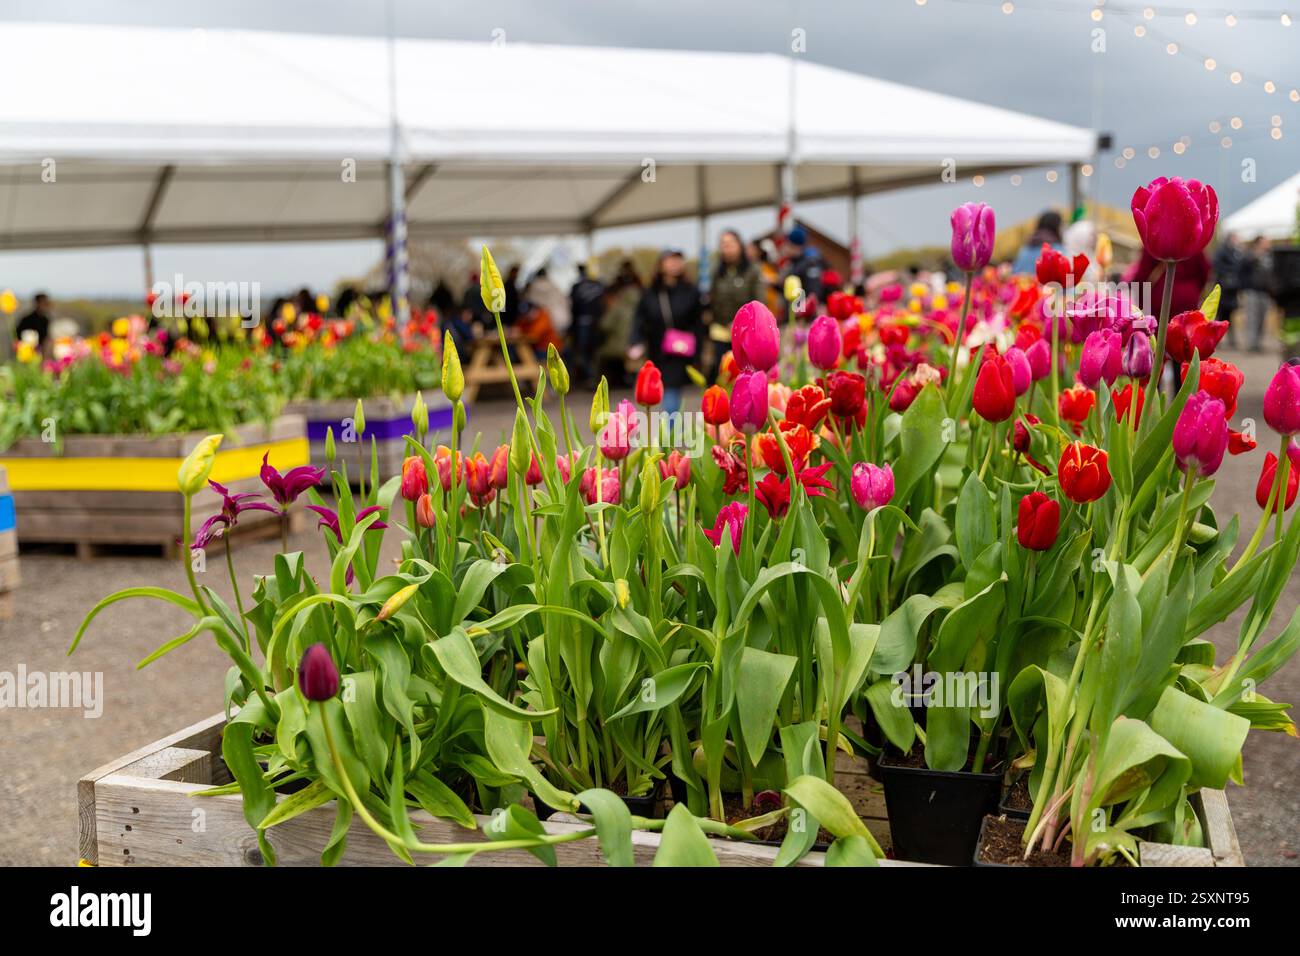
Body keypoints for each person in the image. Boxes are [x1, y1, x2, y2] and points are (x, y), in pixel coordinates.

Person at [630, 249, 703, 415]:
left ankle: (671, 434)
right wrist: (635, 341)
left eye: (678, 260)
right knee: (667, 392)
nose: (674, 264)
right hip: (658, 348)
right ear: (661, 265)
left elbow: (698, 324)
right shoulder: (651, 293)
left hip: (682, 351)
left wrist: (697, 353)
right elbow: (640, 319)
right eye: (670, 260)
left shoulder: (691, 291)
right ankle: (672, 431)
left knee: (671, 394)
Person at [707, 230, 763, 381]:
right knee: (722, 374)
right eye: (724, 245)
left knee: (744, 374)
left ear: (740, 245)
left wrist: (739, 324)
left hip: (745, 332)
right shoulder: (716, 271)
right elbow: (712, 299)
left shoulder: (752, 270)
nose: (728, 248)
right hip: (721, 330)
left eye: (731, 244)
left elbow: (758, 302)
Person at [597, 260, 642, 385]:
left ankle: (606, 381)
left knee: (601, 353)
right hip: (639, 347)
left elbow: (604, 325)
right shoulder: (644, 307)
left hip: (617, 347)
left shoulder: (617, 306)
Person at [568, 263, 606, 385]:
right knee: (593, 351)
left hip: (583, 323)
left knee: (584, 351)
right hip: (597, 322)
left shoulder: (577, 287)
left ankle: (591, 375)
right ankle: (594, 376)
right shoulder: (599, 285)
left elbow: (573, 307)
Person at [1240, 236, 1274, 352]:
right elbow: (1243, 267)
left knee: (1261, 318)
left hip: (1265, 292)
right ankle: (1251, 343)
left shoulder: (1269, 257)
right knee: (1252, 318)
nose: (1268, 244)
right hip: (1252, 292)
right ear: (1258, 243)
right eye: (1265, 242)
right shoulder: (1250, 255)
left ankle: (1258, 343)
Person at [1011, 211, 1065, 276]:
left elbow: (1015, 273)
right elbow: (1068, 277)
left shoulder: (1026, 248)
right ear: (1057, 228)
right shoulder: (1059, 250)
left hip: (1024, 284)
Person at [780, 226, 824, 303]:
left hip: (801, 312)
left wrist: (802, 310)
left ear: (795, 246)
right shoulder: (793, 263)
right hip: (793, 310)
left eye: (787, 244)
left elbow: (813, 293)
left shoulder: (809, 264)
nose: (784, 247)